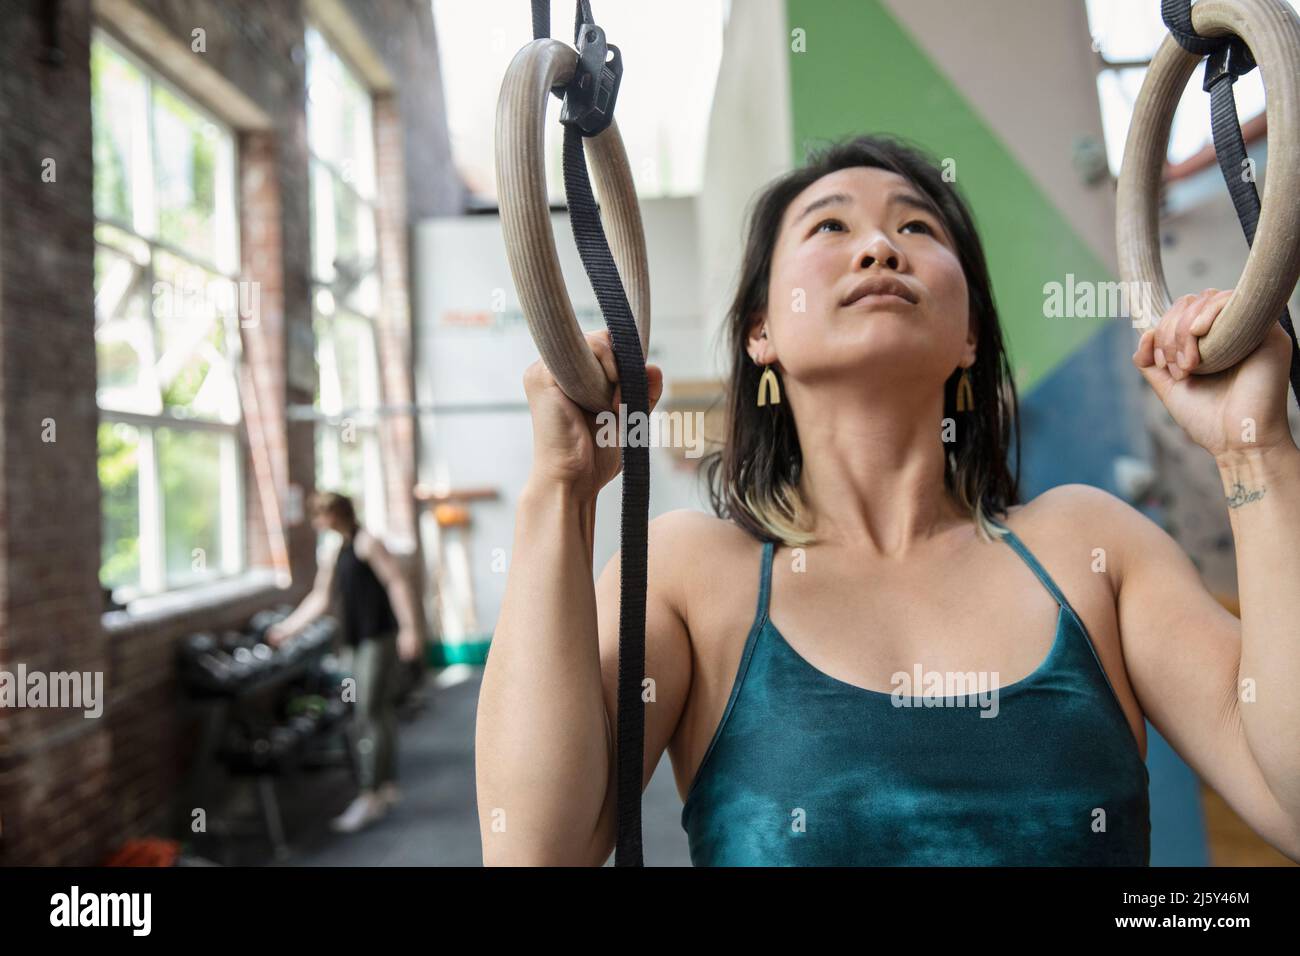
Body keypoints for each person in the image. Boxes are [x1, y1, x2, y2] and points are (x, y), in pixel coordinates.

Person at [476, 133, 1300, 866]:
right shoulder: (691, 574)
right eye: (830, 226)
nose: (878, 246)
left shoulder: (1094, 548)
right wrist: (560, 489)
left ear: (970, 331)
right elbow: (535, 848)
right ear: (761, 329)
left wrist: (1253, 447)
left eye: (917, 228)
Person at [269, 491, 422, 833]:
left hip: (378, 639)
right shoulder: (334, 550)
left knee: (367, 711)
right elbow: (321, 597)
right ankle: (385, 787)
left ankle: (370, 793)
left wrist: (409, 629)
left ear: (334, 515)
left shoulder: (368, 543)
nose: (316, 522)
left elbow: (396, 583)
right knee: (374, 712)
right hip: (354, 642)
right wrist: (288, 629)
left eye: (319, 515)